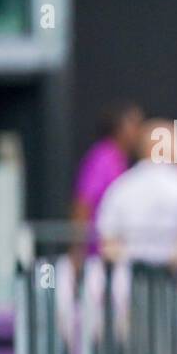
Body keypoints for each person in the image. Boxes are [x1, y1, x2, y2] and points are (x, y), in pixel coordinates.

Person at [96, 119, 177, 271]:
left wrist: (130, 266)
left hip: (129, 284)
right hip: (173, 284)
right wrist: (170, 268)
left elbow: (107, 238)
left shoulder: (121, 186)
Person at [72, 101, 143, 259]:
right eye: (135, 124)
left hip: (114, 253)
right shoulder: (102, 157)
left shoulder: (121, 159)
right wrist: (77, 249)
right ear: (120, 127)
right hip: (95, 254)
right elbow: (83, 203)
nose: (140, 131)